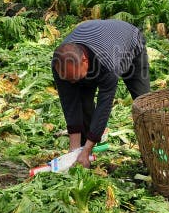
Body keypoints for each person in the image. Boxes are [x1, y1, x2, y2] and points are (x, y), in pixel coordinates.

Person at [52, 19, 150, 168]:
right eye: (67, 78)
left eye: (73, 78)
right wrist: (73, 149)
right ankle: (82, 155)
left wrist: (87, 149)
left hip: (129, 40)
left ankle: (153, 152)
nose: (71, 83)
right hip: (94, 38)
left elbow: (104, 107)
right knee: (83, 101)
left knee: (143, 103)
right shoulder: (59, 65)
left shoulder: (108, 64)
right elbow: (69, 102)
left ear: (84, 61)